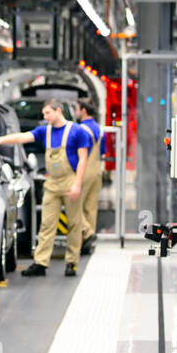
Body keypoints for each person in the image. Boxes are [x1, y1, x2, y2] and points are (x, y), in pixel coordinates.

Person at [0, 99, 92, 277]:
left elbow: (83, 159)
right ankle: (40, 262)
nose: (45, 117)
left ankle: (72, 262)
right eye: (44, 113)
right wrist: (0, 141)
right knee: (46, 224)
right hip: (52, 184)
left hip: (71, 182)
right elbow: (23, 137)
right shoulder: (44, 131)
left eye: (48, 113)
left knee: (74, 224)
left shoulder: (77, 132)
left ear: (58, 110)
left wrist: (77, 184)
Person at [74, 101, 105, 256]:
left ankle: (87, 233)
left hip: (84, 171)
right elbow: (103, 151)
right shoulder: (99, 128)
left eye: (77, 109)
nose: (75, 112)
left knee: (75, 205)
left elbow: (78, 154)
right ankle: (87, 244)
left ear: (84, 110)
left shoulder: (81, 129)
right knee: (90, 208)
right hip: (97, 170)